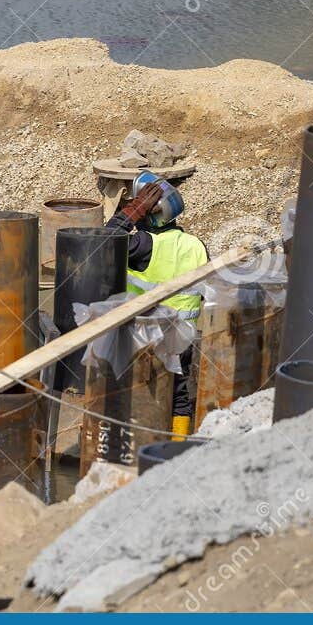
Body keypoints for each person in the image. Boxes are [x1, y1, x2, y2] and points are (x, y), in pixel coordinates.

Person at [105, 172, 208, 438]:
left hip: (143, 337)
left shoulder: (143, 244)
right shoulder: (196, 245)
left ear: (148, 212)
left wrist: (130, 213)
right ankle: (174, 447)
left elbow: (101, 243)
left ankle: (132, 444)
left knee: (131, 392)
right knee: (179, 395)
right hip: (183, 336)